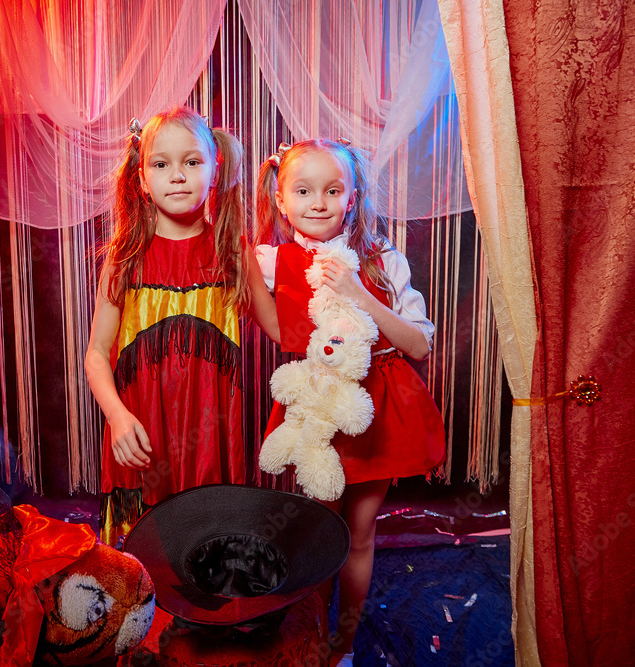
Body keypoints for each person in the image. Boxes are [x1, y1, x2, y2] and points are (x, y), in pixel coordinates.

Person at [254, 139, 446, 666]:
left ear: (352, 198)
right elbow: (218, 259)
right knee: (319, 532)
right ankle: (310, 639)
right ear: (280, 200)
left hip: (376, 408)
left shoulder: (382, 259)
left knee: (360, 535)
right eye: (303, 191)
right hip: (317, 408)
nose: (318, 203)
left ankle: (343, 645)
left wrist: (360, 293)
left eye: (332, 190)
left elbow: (419, 346)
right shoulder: (271, 261)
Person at [85, 106, 279, 546]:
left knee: (204, 553)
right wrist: (117, 416)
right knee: (144, 560)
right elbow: (96, 354)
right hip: (141, 437)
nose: (177, 176)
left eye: (191, 162)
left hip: (210, 444)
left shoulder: (233, 252)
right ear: (141, 179)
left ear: (214, 172)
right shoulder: (124, 257)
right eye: (161, 164)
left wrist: (338, 286)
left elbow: (283, 332)